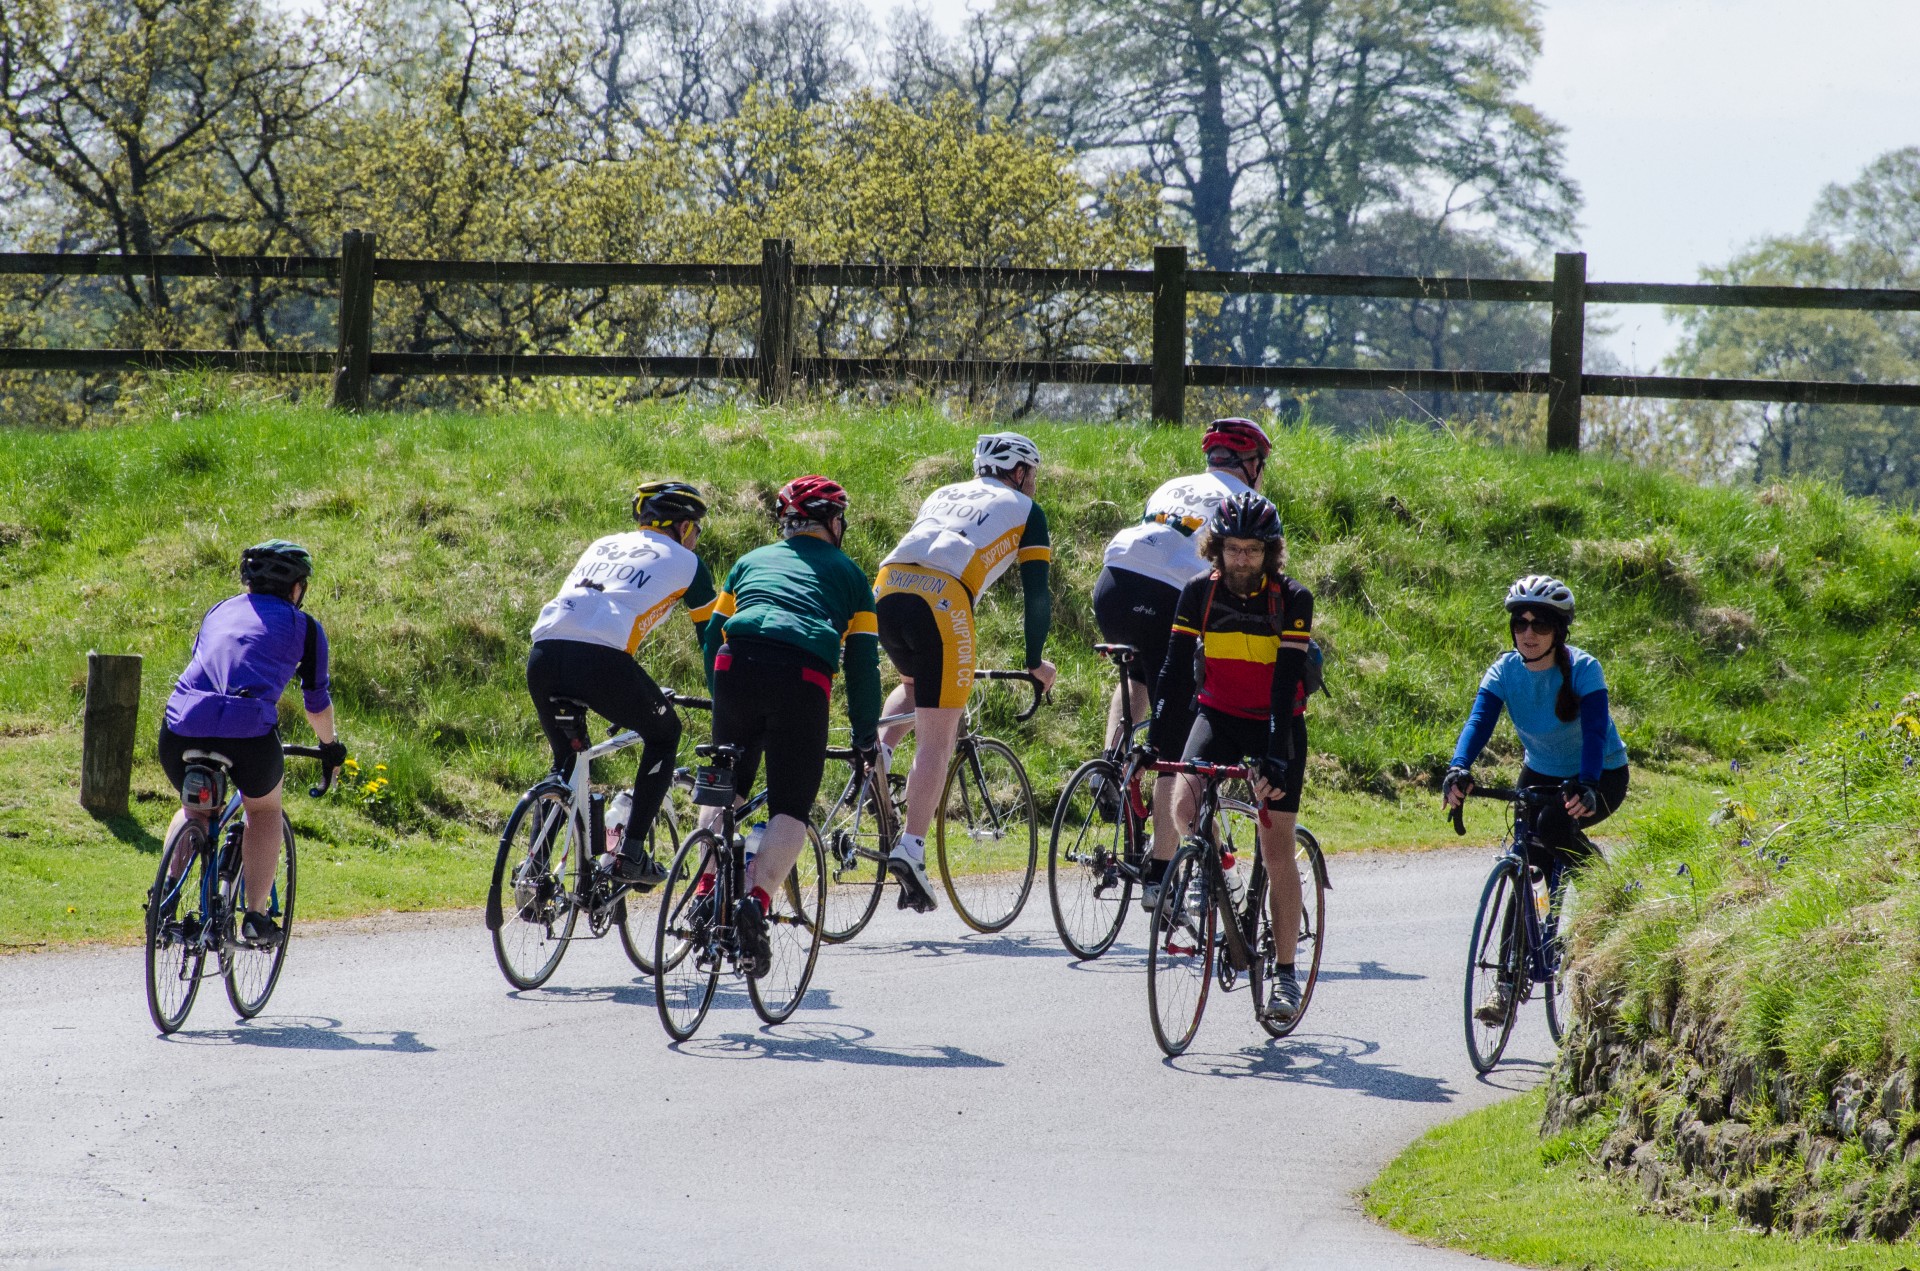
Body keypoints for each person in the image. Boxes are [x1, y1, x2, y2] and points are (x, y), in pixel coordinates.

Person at [1143, 492, 1314, 1024]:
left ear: (1270, 552)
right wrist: (1158, 742)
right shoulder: (1198, 592)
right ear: (1215, 547)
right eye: (1233, 549)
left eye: (1252, 550)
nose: (1241, 560)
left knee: (1277, 845)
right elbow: (1172, 672)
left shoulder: (1292, 598)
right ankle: (1216, 873)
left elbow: (1286, 684)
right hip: (1217, 714)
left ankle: (1285, 974)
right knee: (1184, 806)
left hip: (1275, 721)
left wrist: (1276, 760)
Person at [700, 476, 882, 975]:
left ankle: (704, 892)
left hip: (734, 665)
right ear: (831, 522)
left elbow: (712, 638)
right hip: (801, 676)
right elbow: (863, 667)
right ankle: (755, 900)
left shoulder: (749, 561)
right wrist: (866, 735)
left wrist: (724, 700)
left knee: (724, 788)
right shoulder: (851, 576)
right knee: (790, 808)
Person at [874, 432, 1056, 912]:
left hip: (888, 587)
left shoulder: (942, 493)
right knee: (939, 737)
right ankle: (911, 850)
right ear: (1019, 472)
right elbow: (1038, 594)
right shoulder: (1025, 508)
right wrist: (1034, 660)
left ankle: (876, 758)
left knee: (912, 688)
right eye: (1032, 475)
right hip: (941, 599)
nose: (1033, 484)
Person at [1442, 574, 1630, 1023]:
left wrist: (1585, 783)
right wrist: (1459, 767)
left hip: (1600, 773)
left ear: (1558, 631)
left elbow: (1595, 732)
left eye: (1541, 624)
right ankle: (1509, 982)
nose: (1528, 632)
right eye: (1520, 622)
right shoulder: (1505, 670)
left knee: (1552, 829)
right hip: (1542, 771)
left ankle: (1605, 887)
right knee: (1528, 861)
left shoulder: (1584, 669)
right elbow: (1479, 722)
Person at [526, 481, 716, 888]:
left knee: (566, 761)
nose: (697, 538)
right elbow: (712, 638)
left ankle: (534, 872)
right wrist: (725, 699)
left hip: (542, 653)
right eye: (697, 529)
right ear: (683, 528)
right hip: (600, 661)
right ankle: (630, 852)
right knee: (665, 734)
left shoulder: (603, 544)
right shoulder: (686, 561)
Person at [157, 540, 346, 947]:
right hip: (248, 733)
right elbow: (316, 703)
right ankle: (256, 916)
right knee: (263, 811)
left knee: (195, 808)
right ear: (297, 588)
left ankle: (165, 898)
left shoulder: (219, 610)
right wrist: (330, 748)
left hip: (180, 726)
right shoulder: (307, 629)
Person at [1096, 417, 1270, 847]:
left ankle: (1110, 767)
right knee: (1176, 731)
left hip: (1114, 581)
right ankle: (1161, 871)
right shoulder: (1249, 502)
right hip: (1171, 591)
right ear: (1252, 465)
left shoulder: (1173, 485)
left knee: (1137, 671)